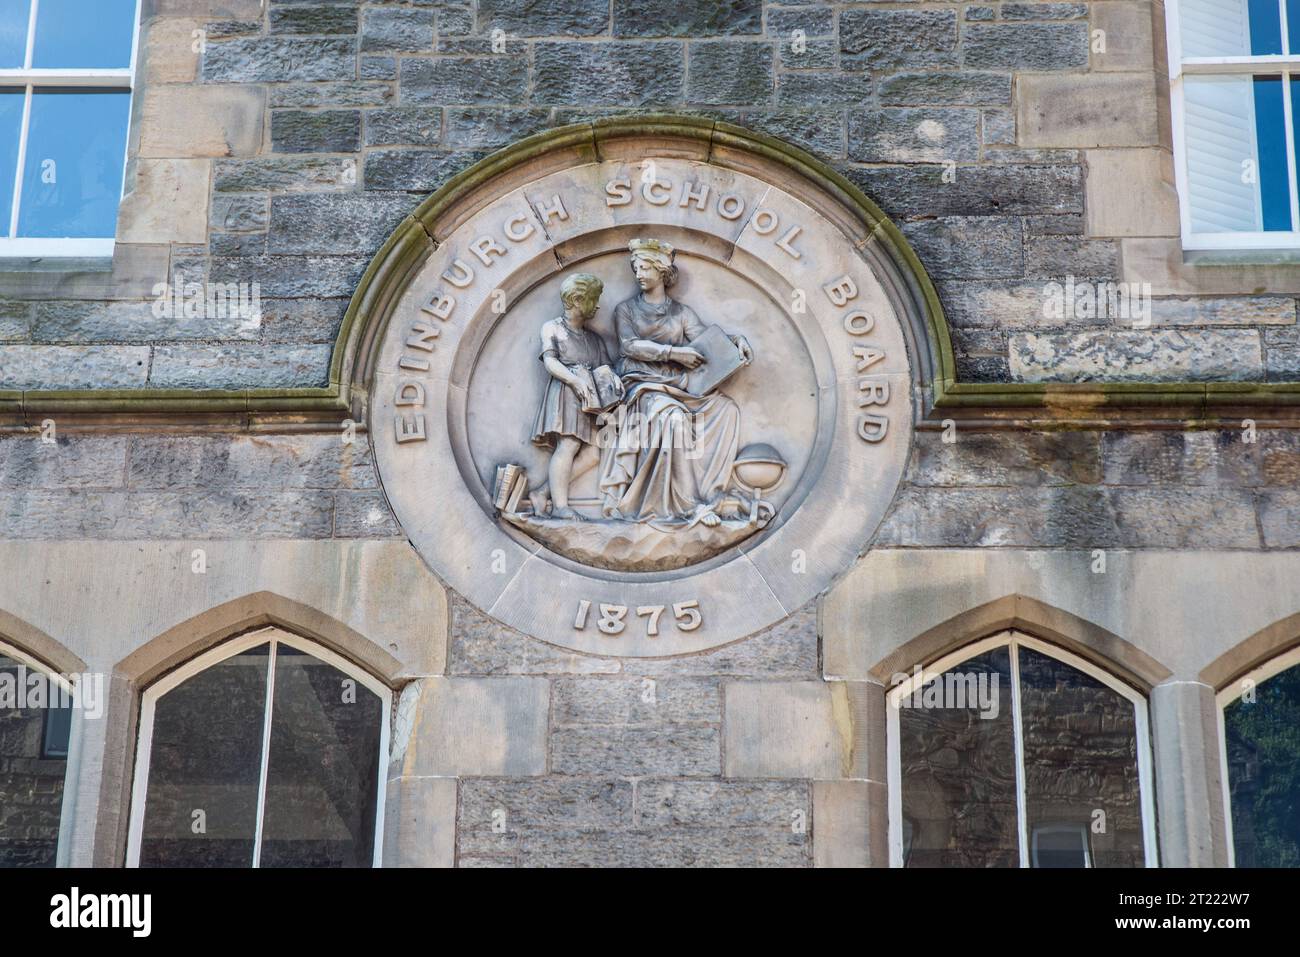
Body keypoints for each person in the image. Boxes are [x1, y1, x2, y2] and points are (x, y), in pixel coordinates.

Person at [597, 238, 752, 528]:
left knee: (727, 409)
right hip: (641, 387)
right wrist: (673, 353)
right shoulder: (626, 310)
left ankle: (711, 494)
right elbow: (629, 346)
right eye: (636, 269)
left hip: (678, 386)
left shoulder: (680, 313)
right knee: (674, 419)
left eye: (645, 268)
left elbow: (706, 341)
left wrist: (735, 341)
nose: (639, 274)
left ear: (662, 272)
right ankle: (687, 505)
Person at [528, 273, 611, 521]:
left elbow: (604, 368)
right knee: (569, 444)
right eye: (594, 300)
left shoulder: (594, 339)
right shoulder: (553, 328)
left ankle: (543, 493)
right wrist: (574, 380)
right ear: (576, 299)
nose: (597, 306)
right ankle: (562, 506)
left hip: (591, 400)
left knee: (595, 452)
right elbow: (550, 361)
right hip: (567, 393)